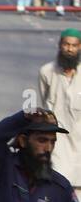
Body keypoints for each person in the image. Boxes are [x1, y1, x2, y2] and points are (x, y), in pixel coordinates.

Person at [39, 29, 81, 190]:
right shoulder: (46, 72)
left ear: (80, 47)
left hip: (79, 142)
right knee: (57, 188)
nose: (69, 49)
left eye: (74, 46)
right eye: (66, 44)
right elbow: (43, 103)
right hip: (57, 142)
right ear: (60, 45)